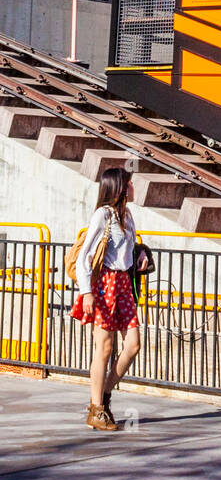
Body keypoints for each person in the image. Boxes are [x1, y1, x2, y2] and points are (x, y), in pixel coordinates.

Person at [70, 167, 148, 431]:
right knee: (103, 349)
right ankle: (97, 410)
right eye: (130, 184)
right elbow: (84, 257)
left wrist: (140, 255)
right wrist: (86, 292)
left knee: (133, 345)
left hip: (124, 284)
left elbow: (128, 249)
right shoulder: (102, 215)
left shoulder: (127, 215)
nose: (134, 188)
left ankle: (101, 395)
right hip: (104, 285)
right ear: (120, 188)